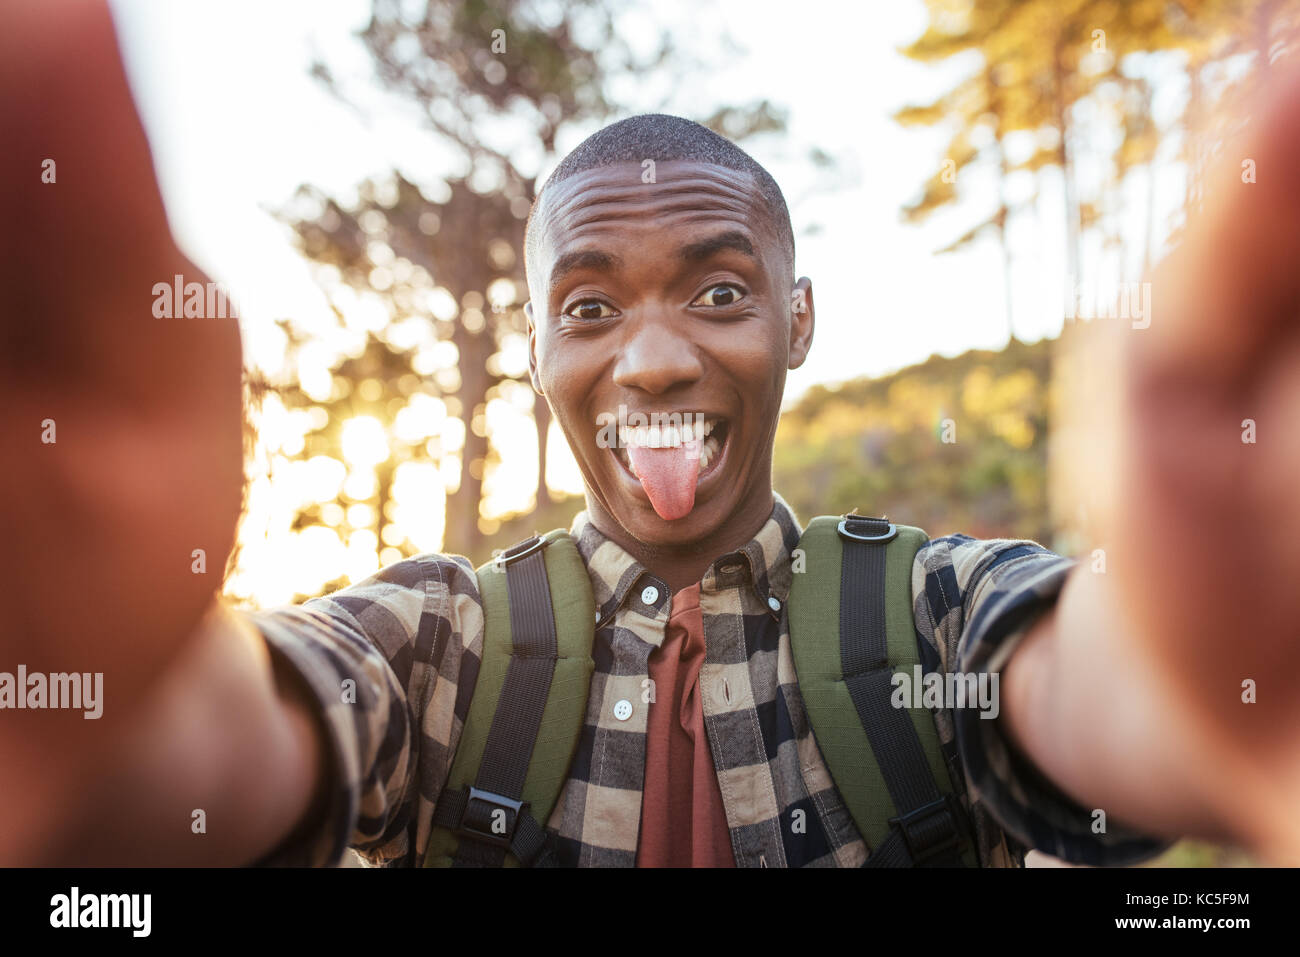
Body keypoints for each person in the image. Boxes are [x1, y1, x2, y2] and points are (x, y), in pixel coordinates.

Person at [3, 0, 1298, 868]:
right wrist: (94, 707)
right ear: (539, 352)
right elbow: (245, 731)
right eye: (589, 305)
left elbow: (1089, 679)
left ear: (799, 323)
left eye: (720, 291)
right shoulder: (449, 643)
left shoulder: (933, 611)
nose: (657, 354)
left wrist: (1216, 677)